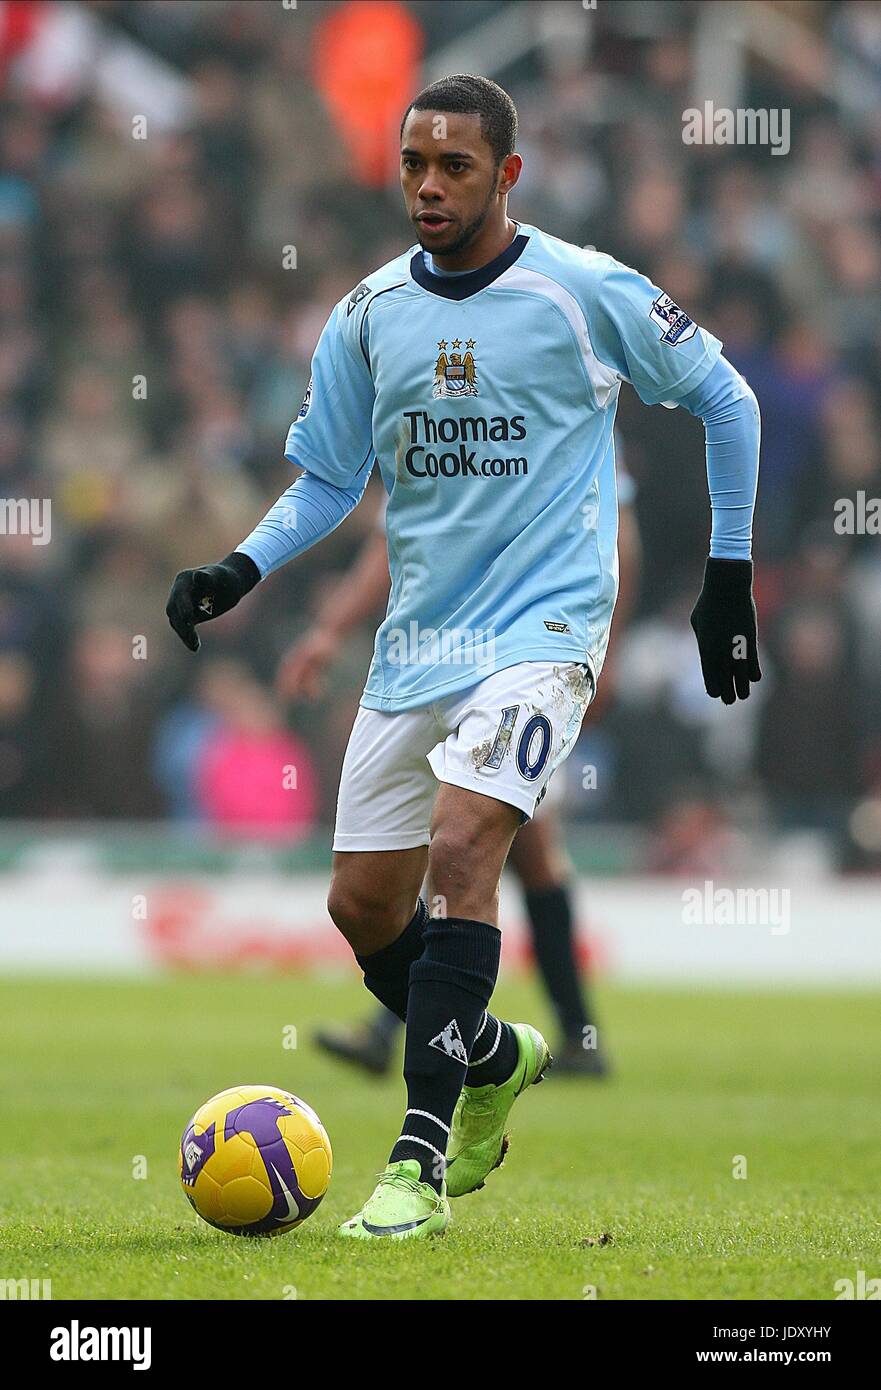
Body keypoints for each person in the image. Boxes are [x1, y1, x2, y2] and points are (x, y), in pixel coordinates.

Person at [167, 75, 761, 1241]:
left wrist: (726, 578)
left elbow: (725, 399)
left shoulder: (581, 290)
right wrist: (241, 566)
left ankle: (418, 1163)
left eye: (452, 166)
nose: (427, 186)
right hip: (418, 641)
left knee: (463, 849)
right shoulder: (369, 313)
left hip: (544, 629)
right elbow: (335, 475)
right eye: (411, 165)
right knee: (358, 903)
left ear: (507, 174)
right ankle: (492, 1050)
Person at [277, 480, 641, 1077]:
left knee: (485, 847)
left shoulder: (570, 401)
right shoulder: (430, 421)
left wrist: (605, 646)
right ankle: (566, 1036)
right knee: (473, 848)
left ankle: (560, 1035)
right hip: (436, 667)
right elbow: (388, 546)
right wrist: (331, 629)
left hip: (526, 661)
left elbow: (619, 528)